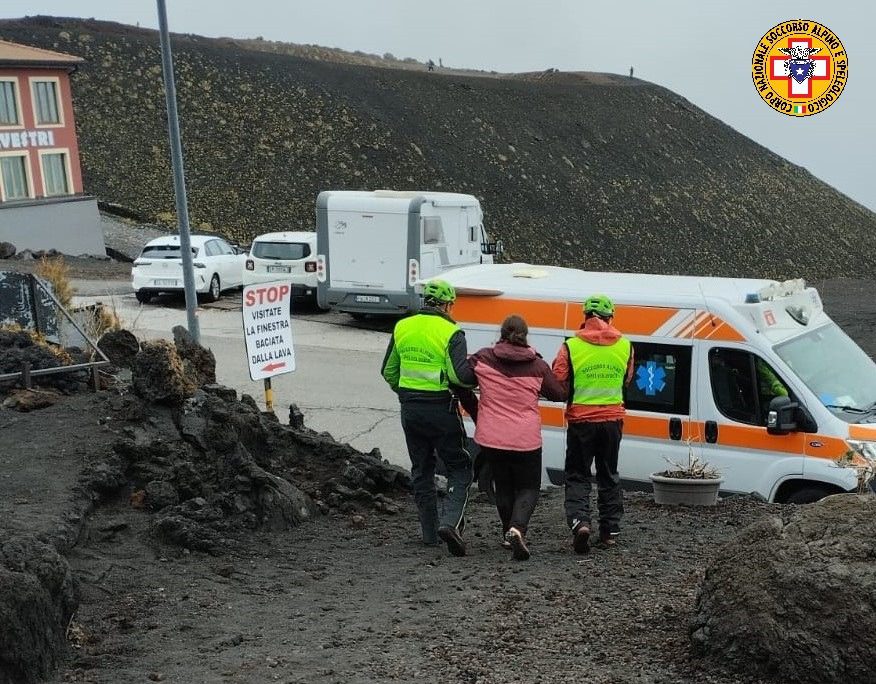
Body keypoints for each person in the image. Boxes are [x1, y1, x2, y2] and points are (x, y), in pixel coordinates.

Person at [381, 279, 475, 556]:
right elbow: (460, 377)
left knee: (421, 468)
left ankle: (429, 534)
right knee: (460, 466)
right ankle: (450, 523)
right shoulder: (451, 332)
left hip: (410, 408)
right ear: (447, 304)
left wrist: (407, 393)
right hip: (441, 408)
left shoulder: (402, 327)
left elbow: (388, 371)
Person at [469, 315, 566, 560]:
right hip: (525, 439)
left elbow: (460, 375)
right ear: (525, 335)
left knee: (503, 485)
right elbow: (558, 394)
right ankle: (517, 527)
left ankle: (506, 533)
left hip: (492, 437)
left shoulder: (483, 358)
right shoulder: (538, 365)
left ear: (501, 333)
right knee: (528, 487)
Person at [552, 294, 634, 554]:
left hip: (581, 422)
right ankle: (609, 532)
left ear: (585, 317)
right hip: (612, 421)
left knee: (577, 474)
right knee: (609, 474)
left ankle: (580, 523)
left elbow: (558, 381)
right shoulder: (626, 346)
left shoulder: (570, 346)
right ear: (611, 318)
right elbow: (627, 380)